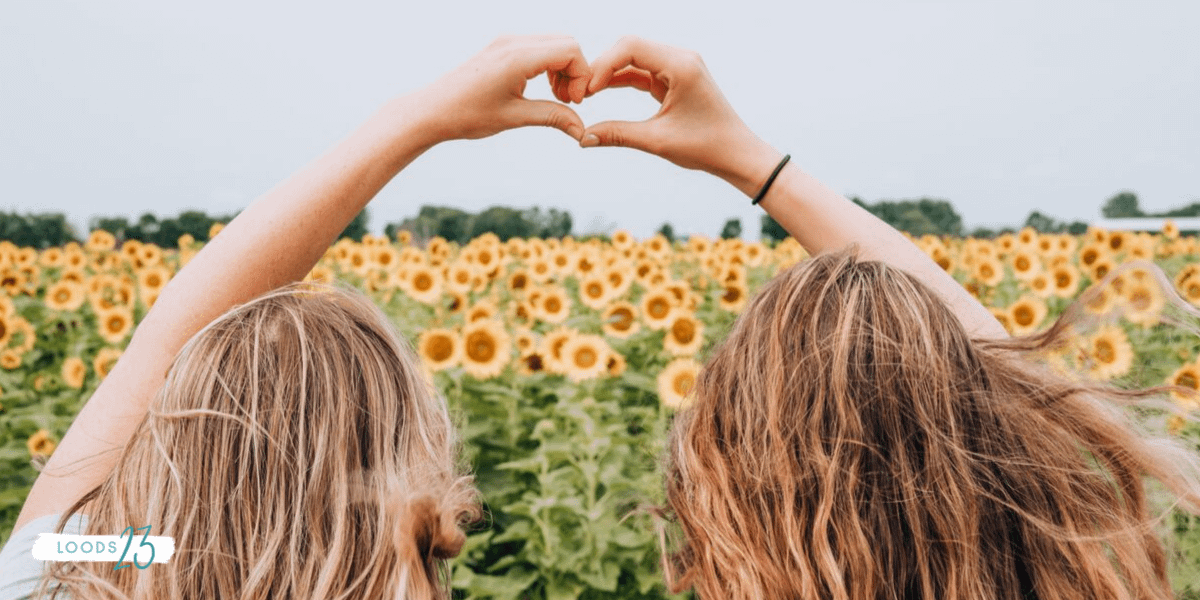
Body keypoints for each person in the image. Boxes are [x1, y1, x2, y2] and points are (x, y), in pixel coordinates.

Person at [574, 36, 1200, 599]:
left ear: (741, 489)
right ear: (988, 456)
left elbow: (1011, 388)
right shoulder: (1058, 573)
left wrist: (742, 159)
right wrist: (749, 157)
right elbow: (1012, 387)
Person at [0, 35, 597, 600]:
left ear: (171, 451)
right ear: (397, 508)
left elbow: (161, 345)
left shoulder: (66, 569)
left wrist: (415, 117)